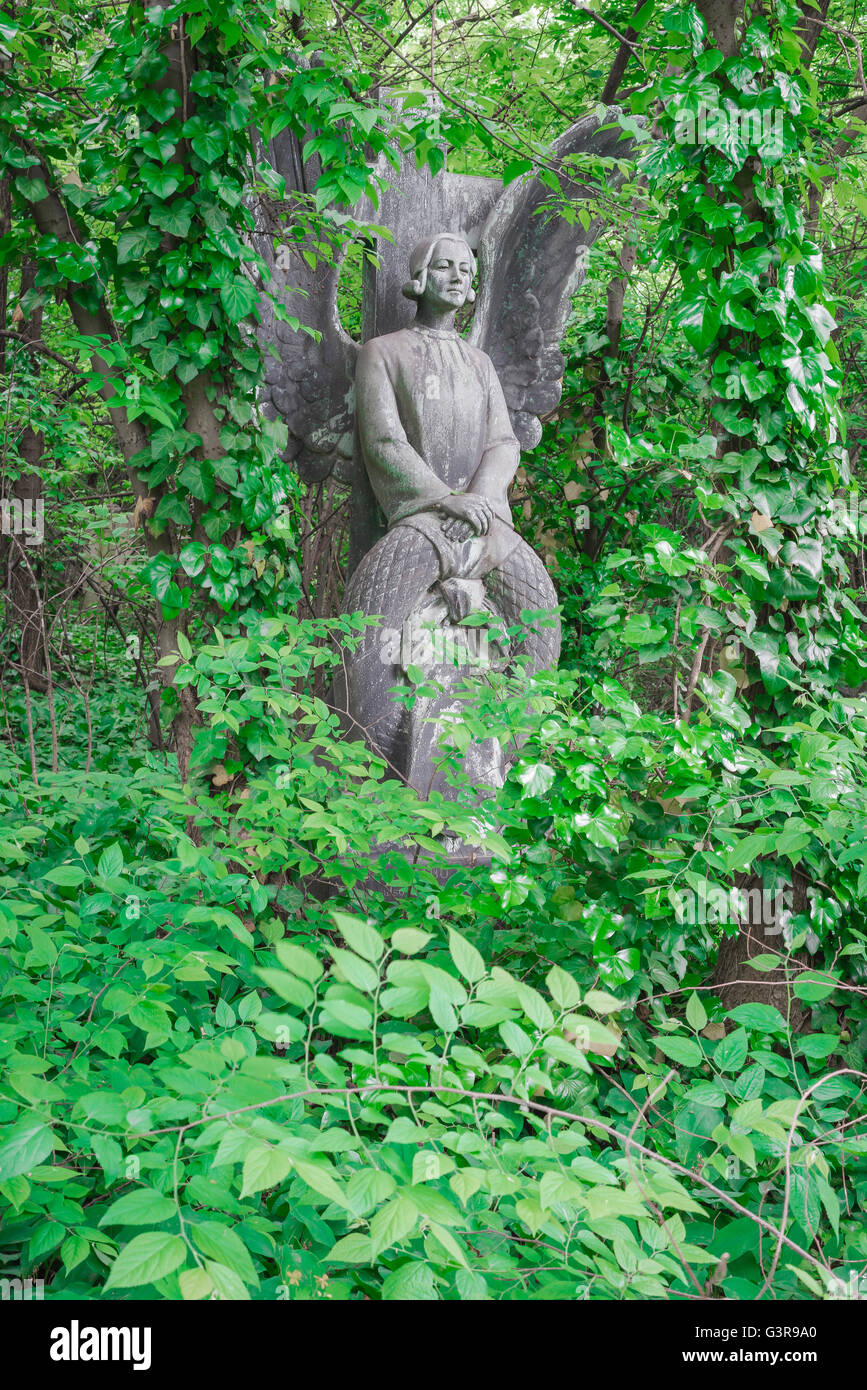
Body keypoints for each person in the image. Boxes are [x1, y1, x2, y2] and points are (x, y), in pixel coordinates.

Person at [340, 232, 559, 792]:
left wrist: (482, 500)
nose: (459, 276)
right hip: (421, 518)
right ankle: (381, 768)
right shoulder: (382, 353)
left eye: (466, 268)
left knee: (539, 609)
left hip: (484, 523)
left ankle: (505, 759)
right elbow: (385, 442)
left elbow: (504, 443)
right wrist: (446, 498)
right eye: (445, 266)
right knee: (368, 632)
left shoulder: (479, 362)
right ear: (418, 279)